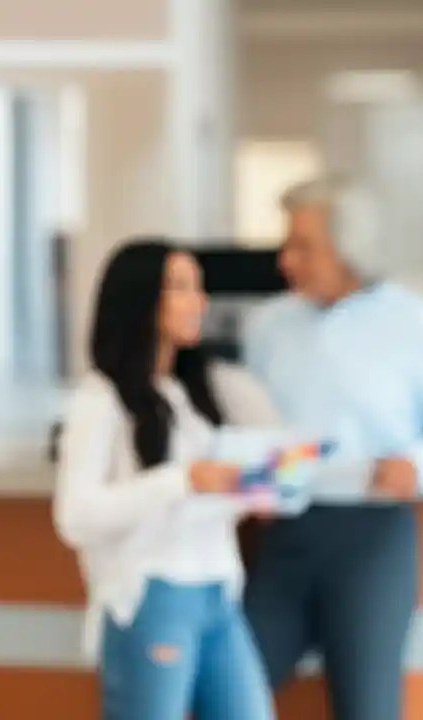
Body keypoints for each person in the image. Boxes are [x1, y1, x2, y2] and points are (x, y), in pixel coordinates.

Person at [241, 176, 423, 719]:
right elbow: (253, 426)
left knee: (367, 709)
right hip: (284, 537)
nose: (285, 261)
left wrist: (421, 467)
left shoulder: (420, 325)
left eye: (303, 248)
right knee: (232, 689)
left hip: (372, 542)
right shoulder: (267, 326)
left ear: (349, 251)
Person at [53, 239, 280, 720]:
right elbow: (76, 517)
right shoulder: (101, 399)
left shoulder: (191, 394)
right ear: (142, 300)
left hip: (218, 593)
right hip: (152, 595)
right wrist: (181, 480)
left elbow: (193, 502)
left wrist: (246, 494)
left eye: (198, 288)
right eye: (180, 288)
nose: (198, 302)